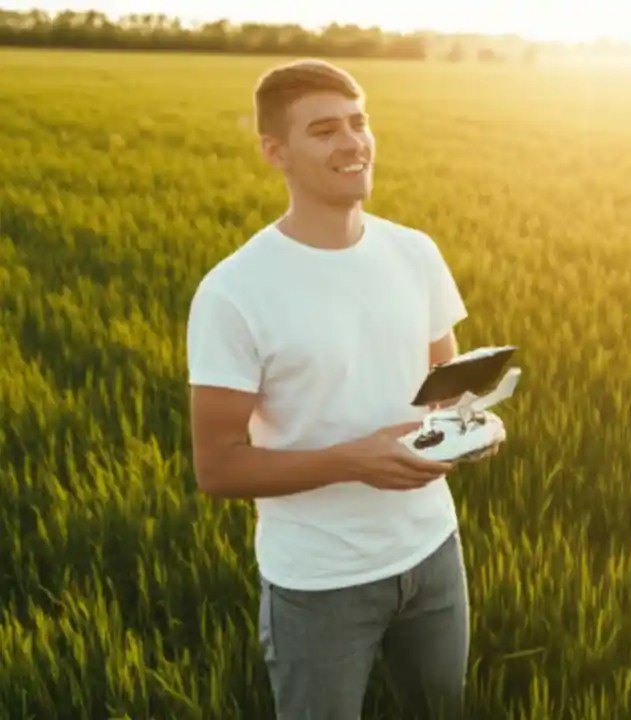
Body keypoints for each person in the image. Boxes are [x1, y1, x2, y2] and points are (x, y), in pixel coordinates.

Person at [185, 58, 490, 719]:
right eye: (324, 130)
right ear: (275, 152)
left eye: (359, 122)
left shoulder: (415, 253)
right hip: (320, 583)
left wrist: (472, 427)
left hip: (435, 553)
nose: (352, 143)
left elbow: (447, 389)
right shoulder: (234, 292)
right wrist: (354, 459)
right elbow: (217, 466)